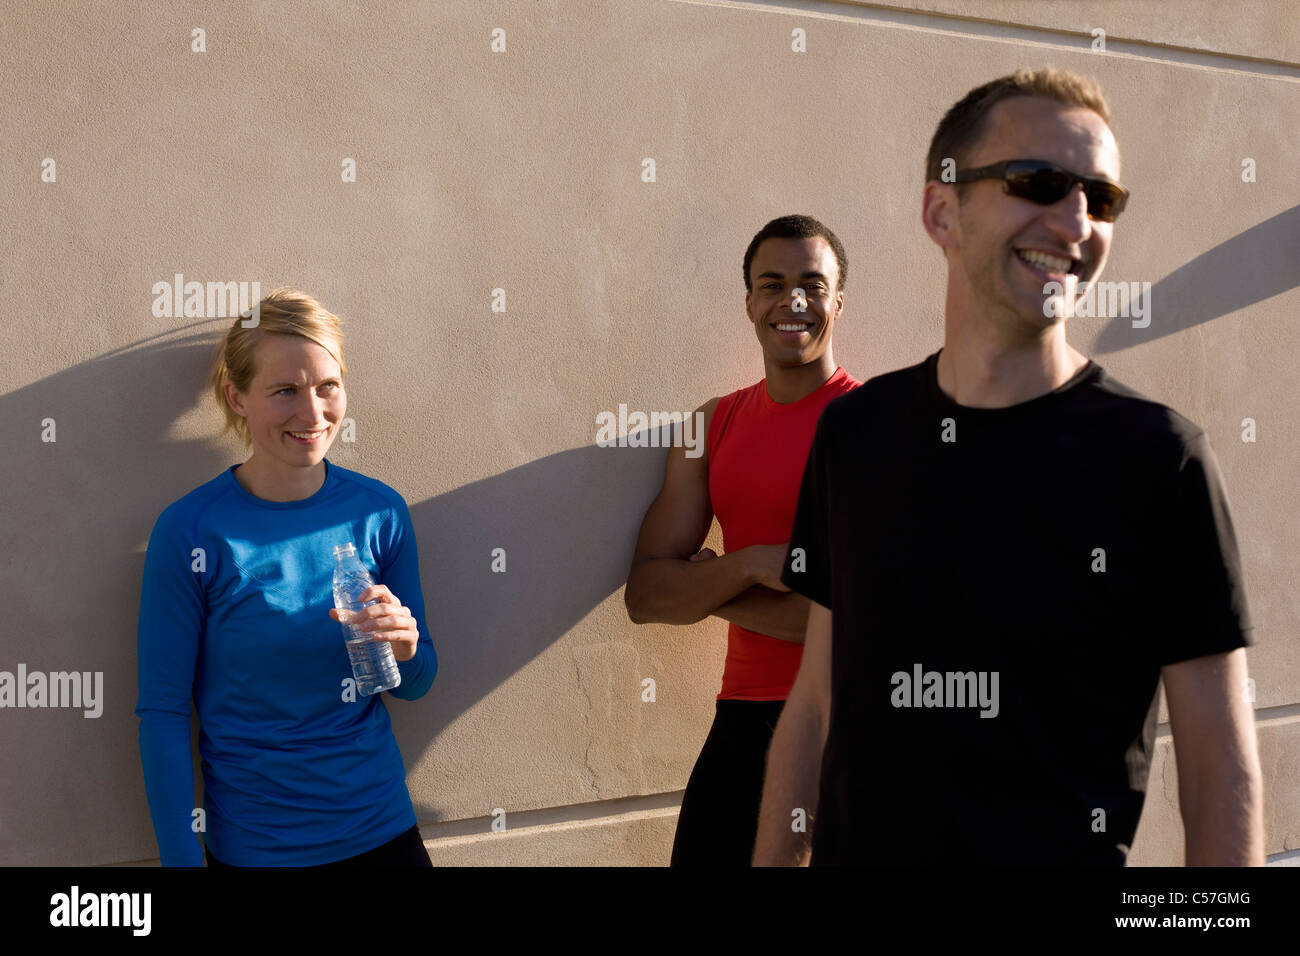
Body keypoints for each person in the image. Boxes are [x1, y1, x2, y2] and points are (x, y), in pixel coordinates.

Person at [754, 67, 1264, 866]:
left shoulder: (1159, 461)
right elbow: (816, 702)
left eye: (1102, 199)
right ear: (942, 211)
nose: (1076, 221)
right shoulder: (855, 435)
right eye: (1040, 182)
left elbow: (1221, 775)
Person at [135, 288, 438, 866]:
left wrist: (406, 647)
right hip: (259, 849)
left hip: (384, 833)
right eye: (285, 391)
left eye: (328, 386)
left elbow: (416, 685)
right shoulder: (191, 532)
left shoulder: (380, 512)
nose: (313, 412)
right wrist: (181, 858)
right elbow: (164, 712)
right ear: (237, 396)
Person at [624, 215, 861, 865]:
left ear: (839, 300)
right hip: (740, 724)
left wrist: (708, 586)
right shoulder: (712, 424)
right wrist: (754, 563)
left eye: (813, 284)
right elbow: (645, 595)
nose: (794, 301)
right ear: (750, 301)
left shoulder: (875, 431)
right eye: (773, 283)